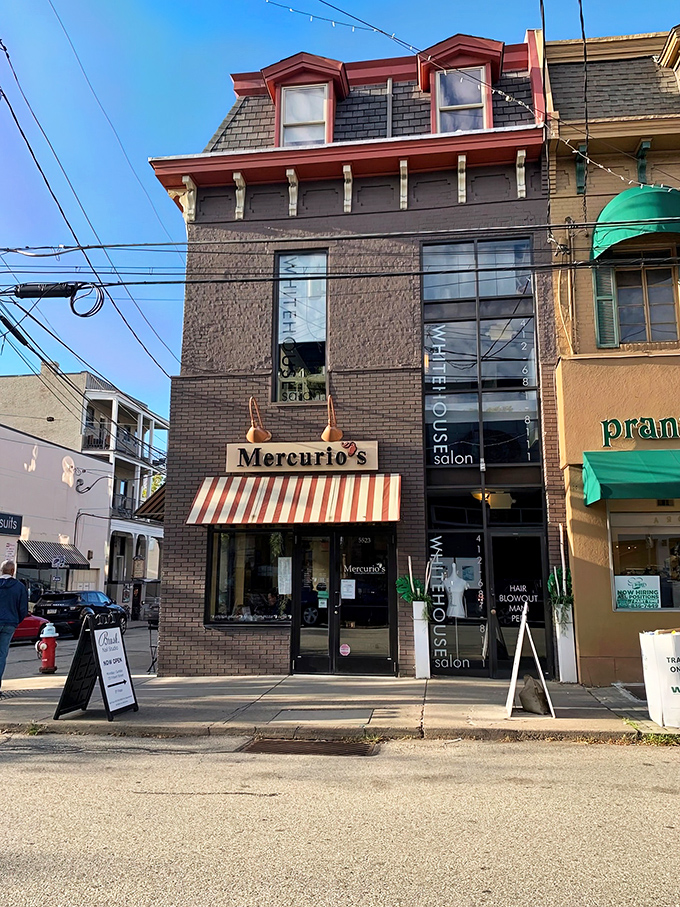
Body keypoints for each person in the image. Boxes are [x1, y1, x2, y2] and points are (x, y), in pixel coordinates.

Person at [0, 560, 29, 695]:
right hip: (10, 623)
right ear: (13, 571)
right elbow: (23, 609)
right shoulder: (19, 587)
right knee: (1, 655)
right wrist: (16, 621)